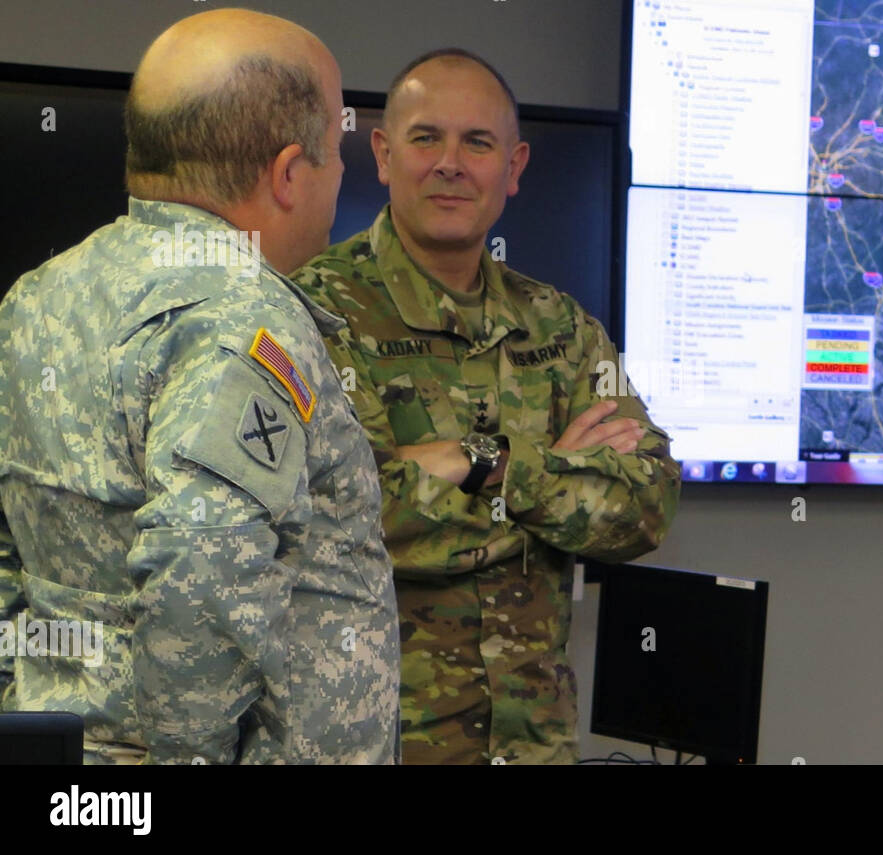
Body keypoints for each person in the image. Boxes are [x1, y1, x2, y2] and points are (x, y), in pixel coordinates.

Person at [0, 9, 400, 764]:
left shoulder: (37, 298)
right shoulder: (245, 319)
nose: (342, 175)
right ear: (287, 173)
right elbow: (202, 566)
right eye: (336, 154)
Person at [293, 48, 681, 764]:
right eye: (425, 137)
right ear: (382, 153)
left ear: (514, 166)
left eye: (477, 142)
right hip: (376, 745)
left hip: (534, 744)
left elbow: (647, 504)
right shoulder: (314, 313)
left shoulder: (558, 327)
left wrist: (486, 465)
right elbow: (342, 519)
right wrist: (559, 480)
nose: (451, 162)